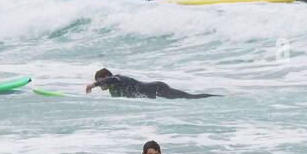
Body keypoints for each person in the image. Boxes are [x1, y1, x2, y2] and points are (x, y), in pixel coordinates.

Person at [86, 68, 215, 99]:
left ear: (106, 77)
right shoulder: (113, 90)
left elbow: (112, 79)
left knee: (191, 98)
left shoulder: (117, 79)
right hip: (154, 94)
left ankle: (214, 97)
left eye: (100, 81)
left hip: (157, 88)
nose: (100, 85)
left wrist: (94, 85)